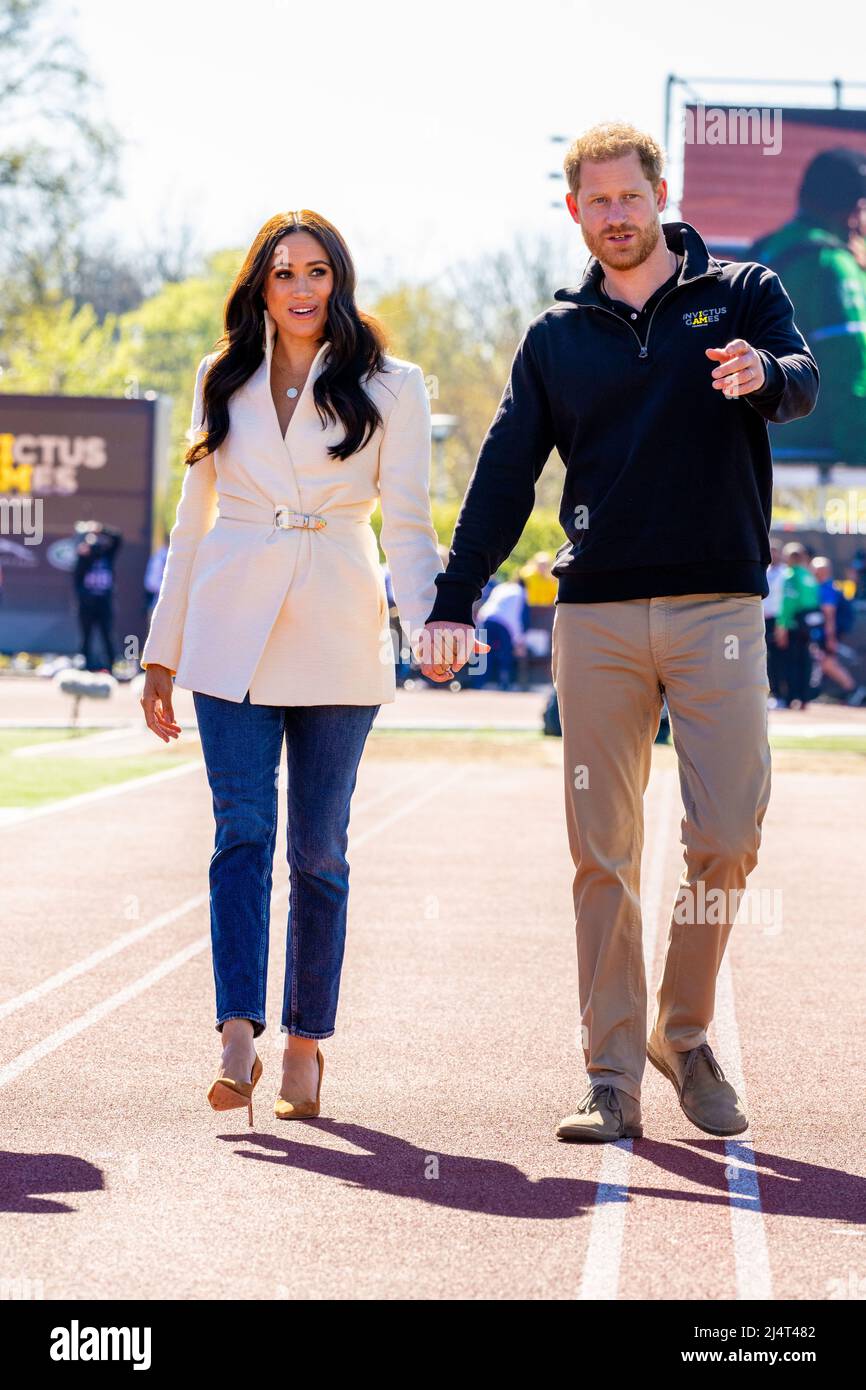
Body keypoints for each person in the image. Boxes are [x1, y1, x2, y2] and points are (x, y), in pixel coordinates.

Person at [422, 121, 818, 1143]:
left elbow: (799, 375)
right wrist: (454, 596)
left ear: (658, 193)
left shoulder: (741, 292)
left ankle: (679, 1036)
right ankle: (610, 1076)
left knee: (725, 836)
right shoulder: (555, 336)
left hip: (716, 609)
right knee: (600, 851)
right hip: (594, 617)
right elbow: (507, 471)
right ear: (573, 212)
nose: (612, 215)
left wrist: (762, 378)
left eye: (626, 196)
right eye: (592, 202)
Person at [139, 210, 446, 1126]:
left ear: (337, 281)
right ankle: (239, 1031)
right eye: (285, 274)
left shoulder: (393, 386)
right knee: (241, 832)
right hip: (226, 633)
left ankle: (308, 1044)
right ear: (260, 287)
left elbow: (412, 522)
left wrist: (430, 624)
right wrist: (161, 650)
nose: (302, 288)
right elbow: (189, 525)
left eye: (318, 272)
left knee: (319, 849)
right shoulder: (219, 376)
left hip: (339, 631)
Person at [750, 148, 866, 466]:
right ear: (856, 209)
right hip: (818, 466)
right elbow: (851, 376)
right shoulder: (833, 265)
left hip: (760, 453)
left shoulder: (764, 251)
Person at [773, 542, 823, 708]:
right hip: (809, 625)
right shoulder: (809, 576)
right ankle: (805, 698)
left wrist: (782, 627)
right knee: (805, 660)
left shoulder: (791, 575)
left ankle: (789, 698)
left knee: (790, 661)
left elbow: (788, 603)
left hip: (795, 623)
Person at [73, 519, 123, 672]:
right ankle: (86, 666)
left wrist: (100, 529)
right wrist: (84, 554)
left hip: (104, 602)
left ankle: (110, 666)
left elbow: (117, 538)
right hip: (87, 603)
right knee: (86, 636)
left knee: (107, 634)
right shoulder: (83, 558)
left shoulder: (106, 554)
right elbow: (76, 581)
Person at [763, 540, 787, 703]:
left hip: (779, 621)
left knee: (779, 658)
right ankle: (772, 692)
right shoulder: (764, 571)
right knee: (766, 658)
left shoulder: (786, 573)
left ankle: (782, 694)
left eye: (775, 551)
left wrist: (782, 625)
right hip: (763, 620)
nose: (773, 555)